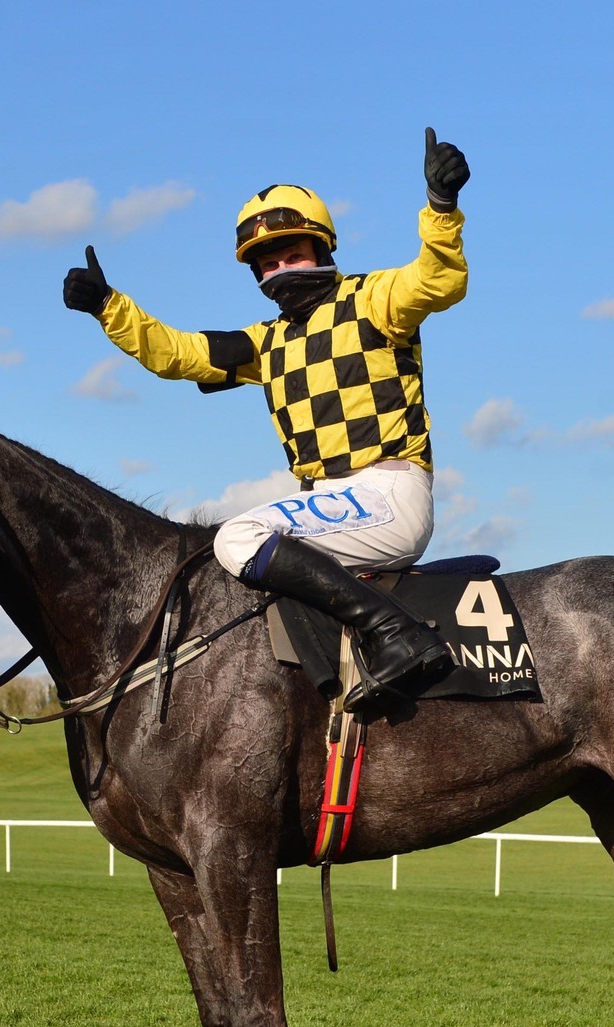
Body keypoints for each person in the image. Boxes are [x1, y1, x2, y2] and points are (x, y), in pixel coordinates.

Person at [64, 128, 473, 713]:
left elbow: (438, 279)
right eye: (267, 263)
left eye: (293, 255)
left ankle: (397, 634)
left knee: (237, 536)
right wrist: (110, 307)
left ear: (323, 250)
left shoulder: (375, 300)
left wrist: (440, 208)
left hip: (389, 491)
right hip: (332, 505)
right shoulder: (266, 343)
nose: (280, 269)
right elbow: (177, 353)